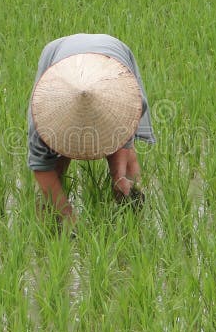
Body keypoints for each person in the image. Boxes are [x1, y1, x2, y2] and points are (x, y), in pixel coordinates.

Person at [27, 34, 156, 223]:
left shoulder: (131, 100)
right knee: (55, 168)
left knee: (128, 167)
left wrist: (118, 176)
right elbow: (41, 166)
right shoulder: (40, 116)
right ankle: (50, 216)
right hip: (59, 57)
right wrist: (70, 219)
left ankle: (134, 216)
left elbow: (124, 138)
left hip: (112, 54)